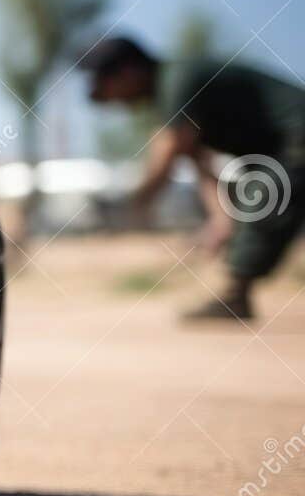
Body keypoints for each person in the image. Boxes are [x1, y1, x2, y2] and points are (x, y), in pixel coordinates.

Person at [82, 35, 305, 321]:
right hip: (273, 150)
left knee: (265, 198)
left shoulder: (177, 80)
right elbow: (198, 160)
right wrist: (221, 218)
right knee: (259, 198)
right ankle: (236, 297)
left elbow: (169, 153)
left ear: (128, 72)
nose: (107, 97)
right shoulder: (167, 97)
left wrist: (133, 203)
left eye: (105, 83)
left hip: (295, 137)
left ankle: (236, 297)